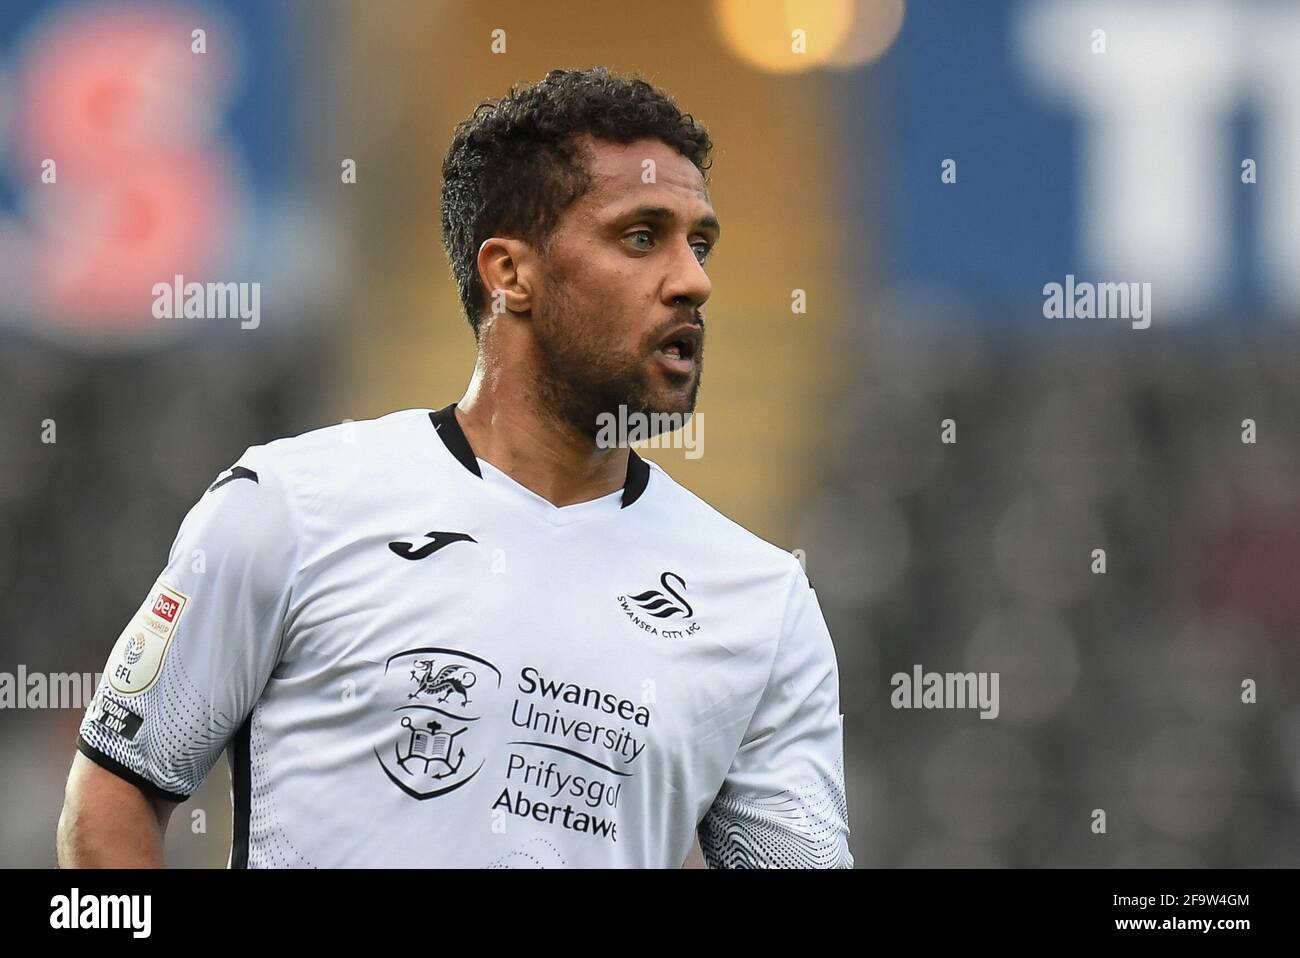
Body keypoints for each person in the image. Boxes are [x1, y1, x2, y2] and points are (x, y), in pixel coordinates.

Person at [58, 67, 853, 869]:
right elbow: (117, 788)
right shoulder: (291, 508)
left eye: (701, 243)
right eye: (642, 237)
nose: (693, 281)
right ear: (510, 273)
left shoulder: (762, 604)